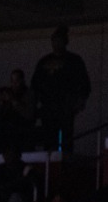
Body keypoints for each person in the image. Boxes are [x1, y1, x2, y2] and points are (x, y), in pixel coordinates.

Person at [32, 26, 91, 154]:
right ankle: (50, 163)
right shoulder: (44, 61)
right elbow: (35, 85)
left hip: (66, 106)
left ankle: (66, 163)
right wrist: (35, 105)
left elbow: (84, 83)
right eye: (54, 40)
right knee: (49, 138)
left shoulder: (74, 60)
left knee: (66, 138)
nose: (56, 43)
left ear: (65, 41)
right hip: (48, 107)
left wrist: (79, 101)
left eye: (59, 40)